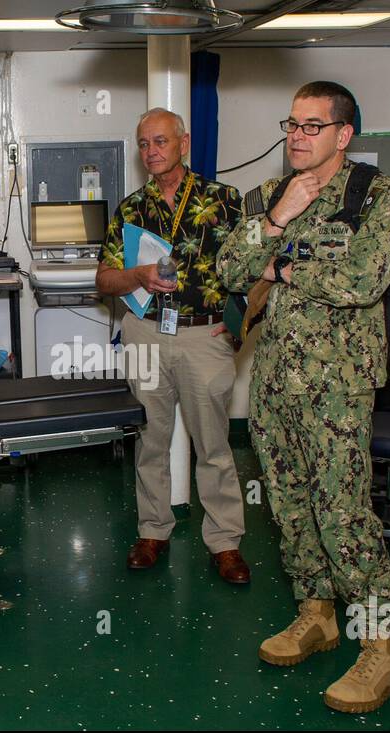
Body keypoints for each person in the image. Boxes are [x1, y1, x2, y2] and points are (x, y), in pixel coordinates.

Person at [217, 82, 390, 713]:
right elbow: (225, 268)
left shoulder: (376, 197)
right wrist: (276, 219)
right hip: (273, 381)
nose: (296, 136)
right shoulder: (273, 195)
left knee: (343, 511)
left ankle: (383, 648)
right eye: (291, 125)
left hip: (337, 386)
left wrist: (279, 266)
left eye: (311, 126)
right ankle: (317, 613)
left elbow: (361, 281)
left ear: (343, 134)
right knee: (289, 505)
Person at [96, 108, 249, 584]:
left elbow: (256, 270)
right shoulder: (130, 209)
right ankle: (153, 531)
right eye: (144, 144)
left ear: (184, 143)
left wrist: (240, 322)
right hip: (145, 332)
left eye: (160, 141)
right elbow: (103, 279)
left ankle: (225, 541)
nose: (151, 151)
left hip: (205, 335)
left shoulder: (224, 201)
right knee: (151, 440)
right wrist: (138, 276)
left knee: (214, 445)